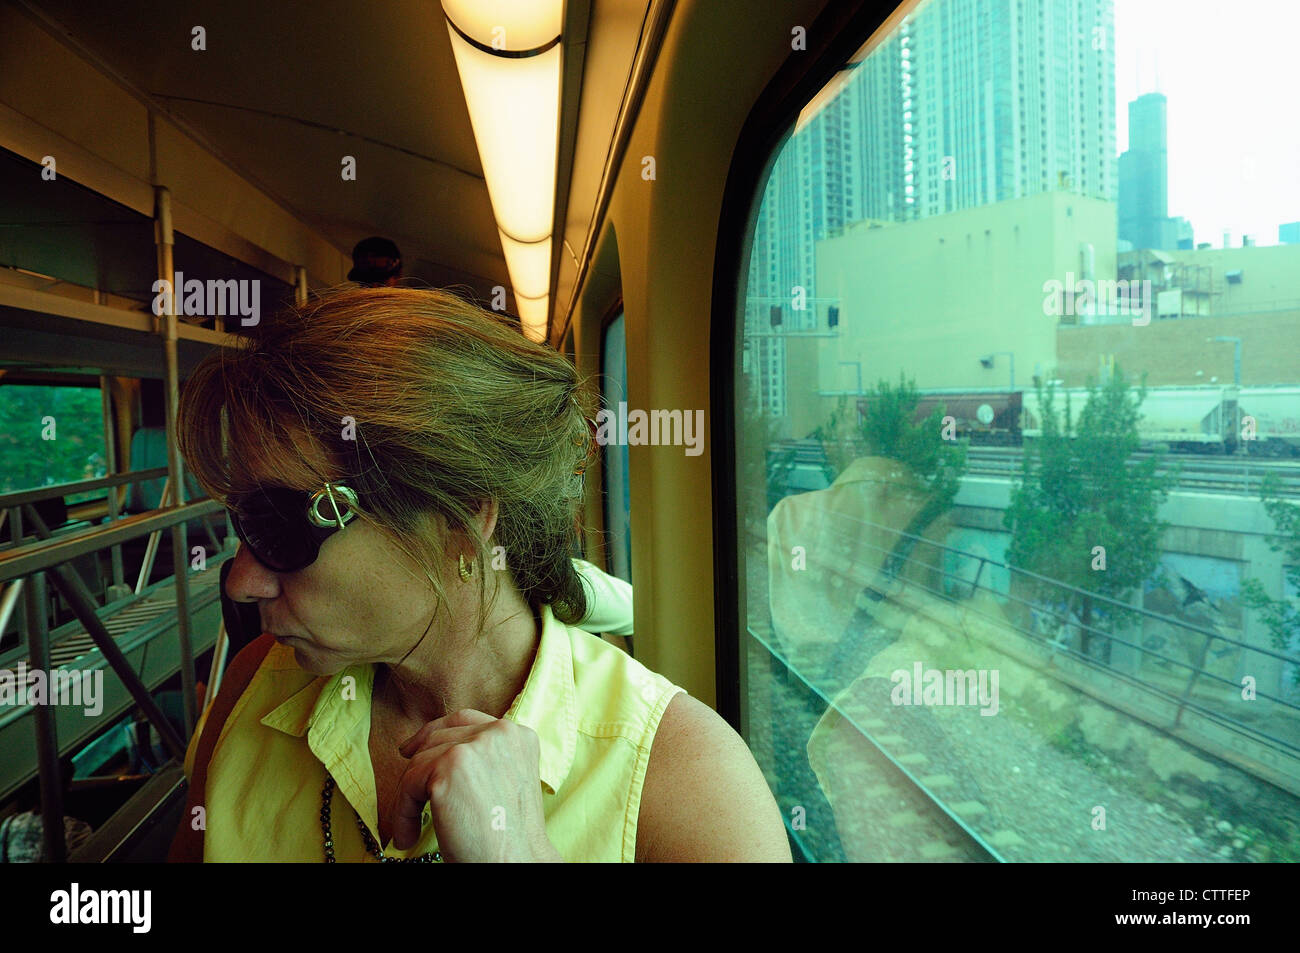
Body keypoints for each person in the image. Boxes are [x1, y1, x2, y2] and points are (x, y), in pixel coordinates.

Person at [167, 287, 789, 862]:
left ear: (460, 522)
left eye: (277, 527)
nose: (241, 582)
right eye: (240, 526)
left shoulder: (686, 783)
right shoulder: (253, 690)